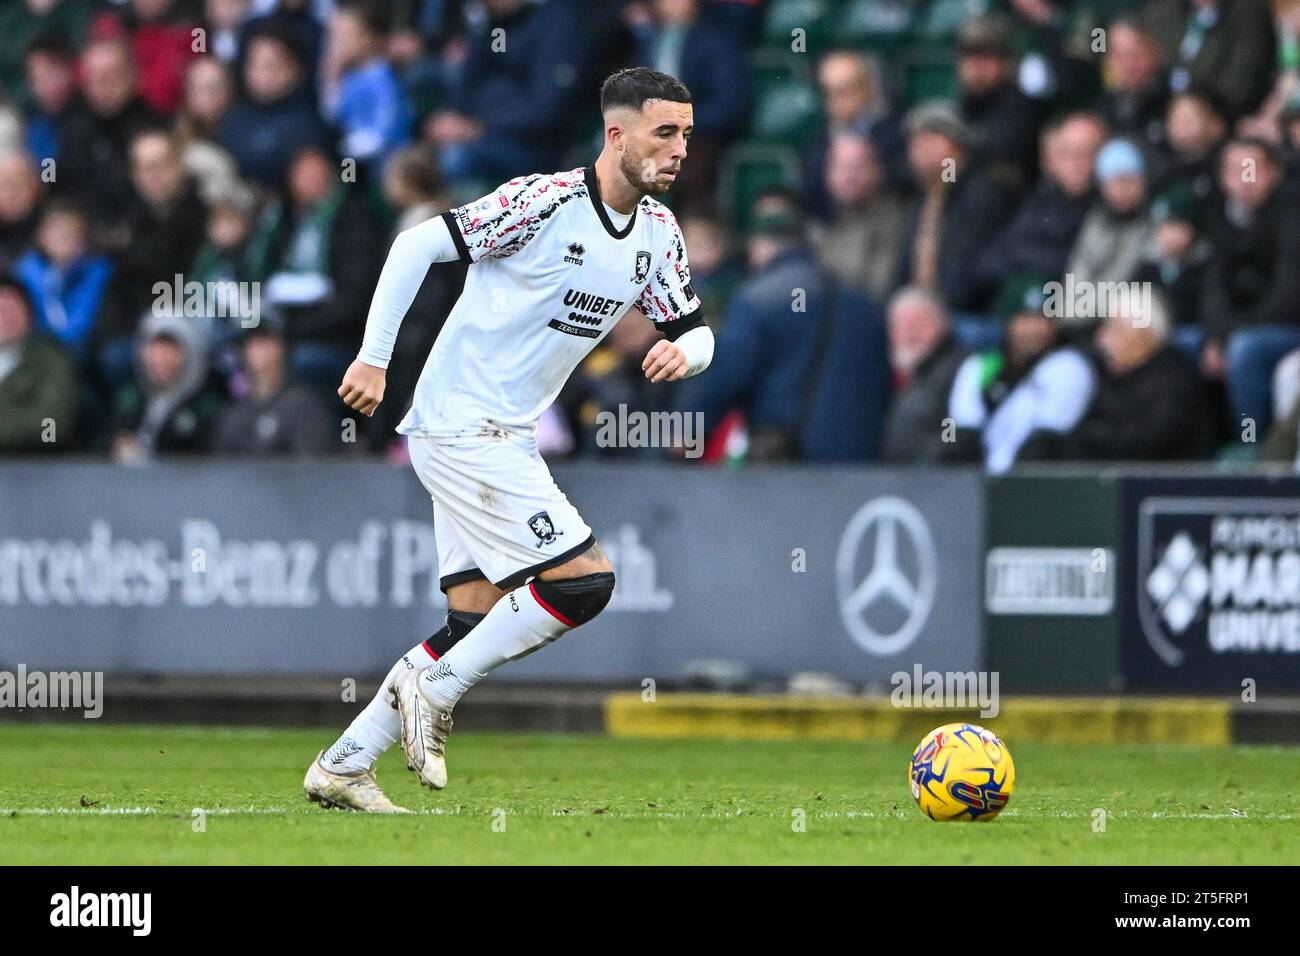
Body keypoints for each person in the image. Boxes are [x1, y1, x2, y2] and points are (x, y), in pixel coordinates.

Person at [307, 68, 714, 812]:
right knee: (584, 582)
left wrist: (684, 353)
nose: (680, 148)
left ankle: (344, 763)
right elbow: (415, 247)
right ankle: (439, 688)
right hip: (461, 424)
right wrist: (375, 355)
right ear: (616, 134)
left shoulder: (656, 234)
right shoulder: (544, 202)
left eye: (686, 133)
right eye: (665, 132)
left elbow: (696, 330)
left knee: (473, 619)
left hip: (504, 435)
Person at [947, 275, 1096, 473]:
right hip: (977, 485)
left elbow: (1046, 444)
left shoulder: (1069, 366)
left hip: (1033, 486)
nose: (1035, 328)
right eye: (1026, 317)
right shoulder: (980, 365)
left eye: (1044, 318)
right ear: (1008, 320)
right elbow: (958, 431)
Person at [1060, 291, 1207, 461]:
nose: (1101, 338)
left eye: (1114, 328)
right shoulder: (1104, 374)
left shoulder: (1174, 383)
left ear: (1143, 335)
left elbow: (1141, 444)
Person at [880, 287, 968, 465]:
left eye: (919, 323)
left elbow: (955, 433)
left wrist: (929, 467)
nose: (908, 333)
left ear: (943, 324)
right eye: (899, 326)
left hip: (936, 483)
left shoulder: (962, 370)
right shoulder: (894, 374)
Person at [0, 273, 79, 453]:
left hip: (32, 469)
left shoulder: (52, 361)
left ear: (29, 316)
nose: (4, 318)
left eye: (10, 309)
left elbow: (51, 429)